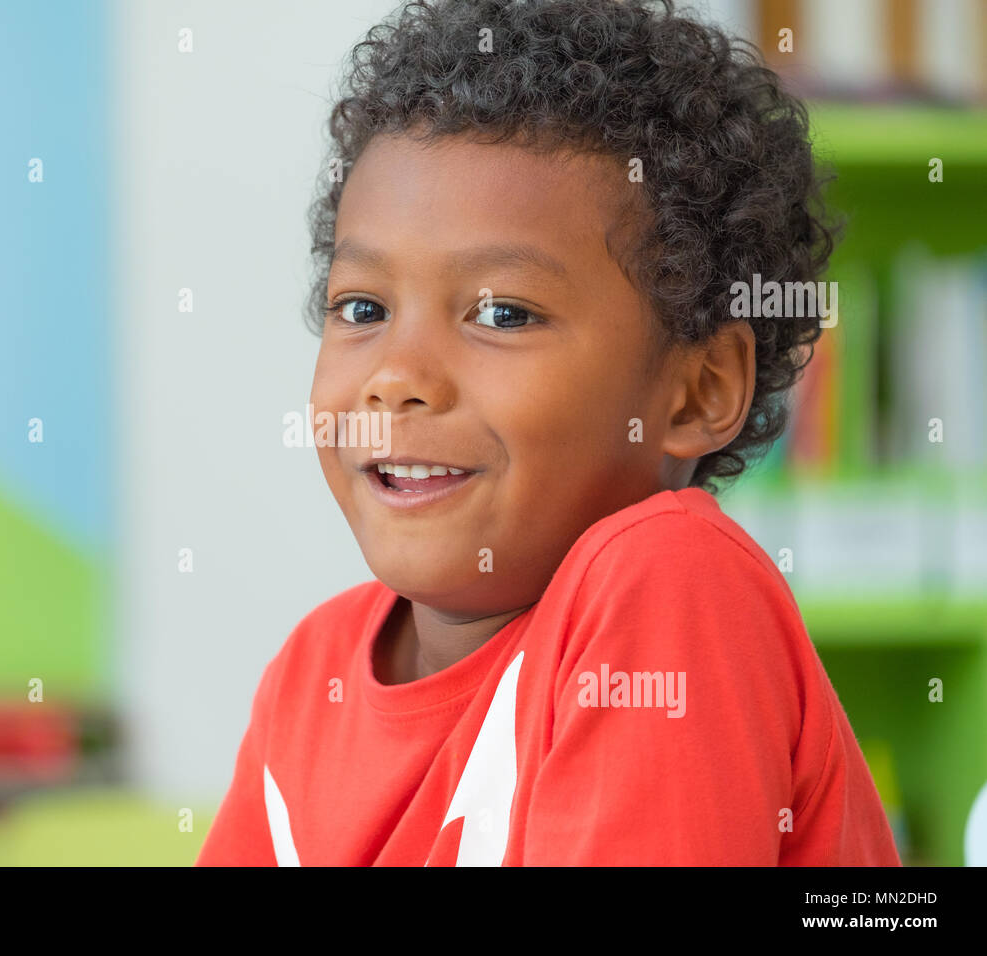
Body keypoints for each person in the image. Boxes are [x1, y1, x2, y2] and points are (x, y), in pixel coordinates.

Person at [196, 0, 901, 866]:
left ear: (697, 391)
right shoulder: (315, 673)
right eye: (363, 307)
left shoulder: (669, 582)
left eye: (502, 312)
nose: (398, 377)